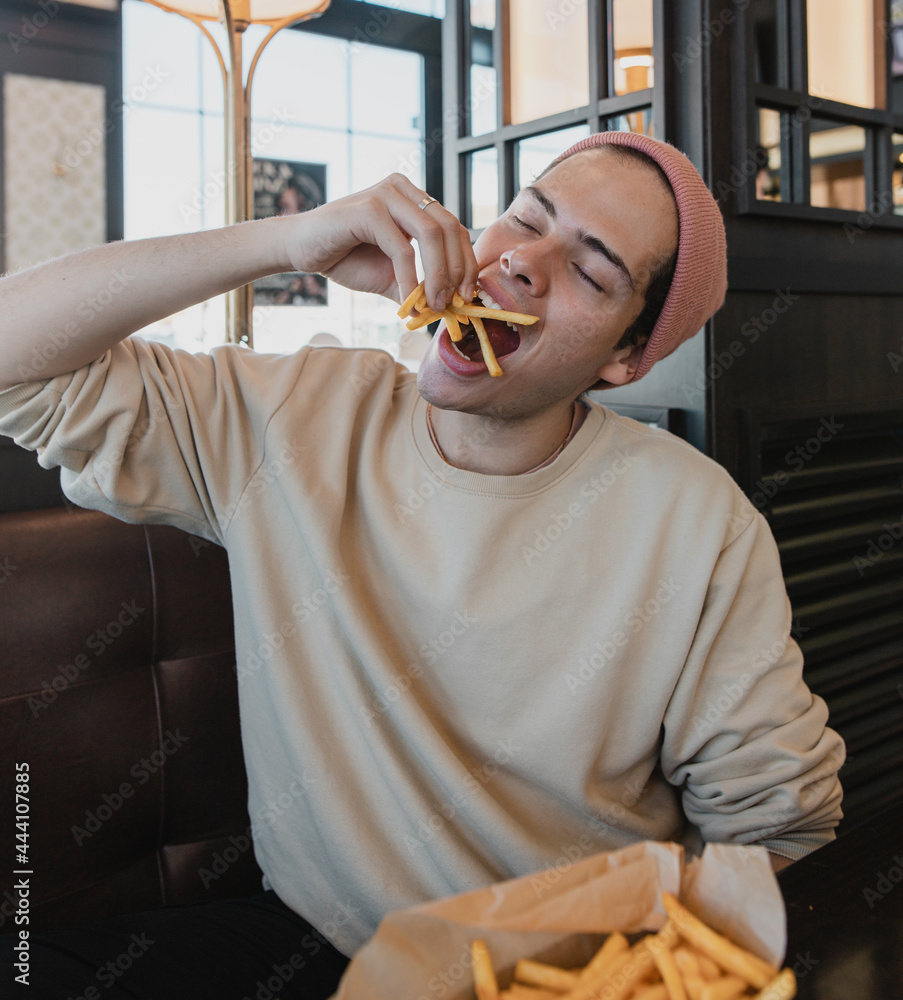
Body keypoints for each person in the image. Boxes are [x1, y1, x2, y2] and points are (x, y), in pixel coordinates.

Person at [0, 132, 844, 998]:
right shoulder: (294, 415)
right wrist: (285, 240)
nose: (521, 262)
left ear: (626, 358)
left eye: (593, 272)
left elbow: (776, 821)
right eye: (524, 218)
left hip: (559, 971)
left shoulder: (694, 518)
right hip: (319, 944)